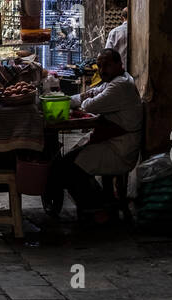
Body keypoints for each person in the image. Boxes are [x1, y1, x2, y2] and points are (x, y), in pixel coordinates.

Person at [43, 48, 141, 222]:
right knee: (66, 161)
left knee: (69, 168)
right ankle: (98, 203)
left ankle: (96, 209)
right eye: (100, 66)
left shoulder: (121, 85)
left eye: (107, 66)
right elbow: (85, 97)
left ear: (119, 65)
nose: (102, 70)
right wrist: (66, 99)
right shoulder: (113, 81)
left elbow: (89, 105)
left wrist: (86, 99)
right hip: (109, 141)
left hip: (119, 149)